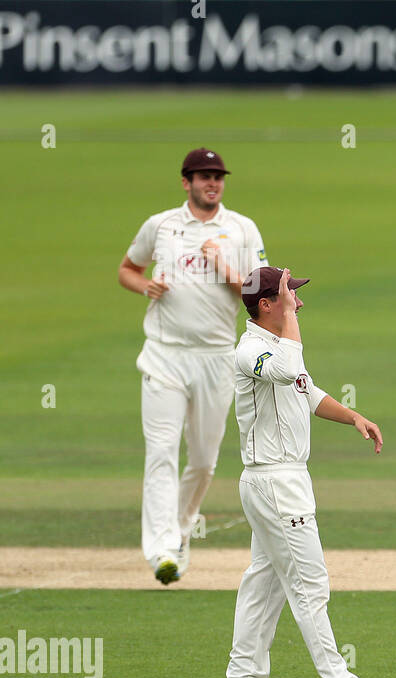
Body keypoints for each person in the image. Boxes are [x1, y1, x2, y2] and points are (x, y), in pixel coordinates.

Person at [217, 267, 392, 678]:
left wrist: (353, 415)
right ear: (266, 306)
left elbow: (306, 390)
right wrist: (290, 322)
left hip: (283, 480)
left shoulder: (279, 345)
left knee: (265, 584)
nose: (297, 302)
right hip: (275, 482)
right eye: (288, 296)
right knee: (309, 585)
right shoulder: (251, 351)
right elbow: (289, 368)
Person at [117, 147, 266, 586]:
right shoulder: (161, 225)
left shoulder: (241, 229)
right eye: (203, 176)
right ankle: (161, 548)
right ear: (186, 182)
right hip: (164, 354)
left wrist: (224, 267)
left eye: (218, 176)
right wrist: (146, 285)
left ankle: (180, 531)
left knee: (202, 461)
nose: (212, 183)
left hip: (217, 357)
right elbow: (127, 268)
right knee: (160, 451)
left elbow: (261, 294)